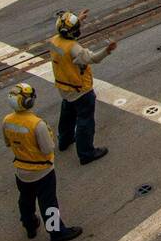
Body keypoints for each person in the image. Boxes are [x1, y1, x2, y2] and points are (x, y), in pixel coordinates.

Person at [1, 83, 82, 241]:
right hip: (42, 170)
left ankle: (30, 225)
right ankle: (56, 233)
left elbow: (8, 144)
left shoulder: (7, 121)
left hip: (21, 170)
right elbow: (48, 149)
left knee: (25, 200)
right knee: (48, 203)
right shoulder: (37, 124)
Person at [48, 10, 116, 165]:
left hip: (63, 87)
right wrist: (107, 51)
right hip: (80, 89)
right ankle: (86, 152)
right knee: (85, 121)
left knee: (67, 115)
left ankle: (64, 141)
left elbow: (66, 31)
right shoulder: (73, 48)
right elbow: (92, 58)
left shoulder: (54, 41)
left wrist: (77, 19)